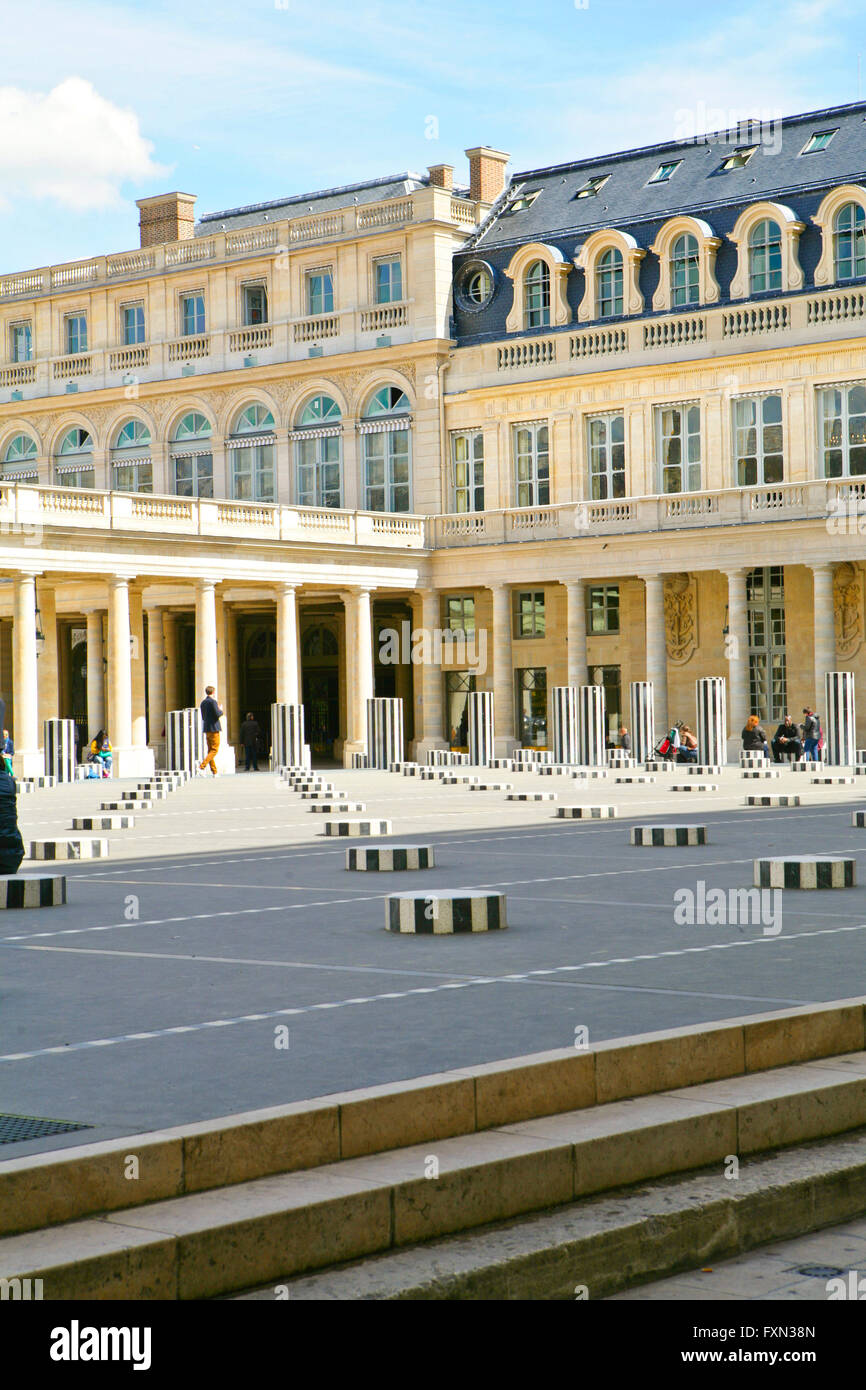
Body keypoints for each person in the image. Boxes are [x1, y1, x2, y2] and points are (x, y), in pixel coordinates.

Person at [199, 686, 223, 776]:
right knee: (214, 750)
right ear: (213, 692)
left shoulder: (203, 703)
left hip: (207, 728)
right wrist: (220, 710)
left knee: (210, 750)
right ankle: (202, 766)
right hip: (214, 728)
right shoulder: (213, 702)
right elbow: (217, 714)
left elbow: (203, 716)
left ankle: (214, 771)